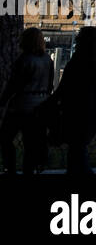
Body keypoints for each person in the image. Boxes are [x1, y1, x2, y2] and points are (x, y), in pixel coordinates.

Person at [49, 26, 96, 174]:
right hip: (93, 113)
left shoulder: (77, 62)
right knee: (79, 149)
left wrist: (50, 103)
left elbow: (64, 88)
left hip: (75, 111)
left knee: (75, 151)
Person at [0, 27, 54, 174]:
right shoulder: (48, 60)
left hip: (21, 105)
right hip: (39, 105)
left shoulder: (23, 60)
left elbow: (14, 84)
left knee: (5, 137)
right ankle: (28, 170)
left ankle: (9, 168)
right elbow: (50, 85)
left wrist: (3, 100)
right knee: (31, 143)